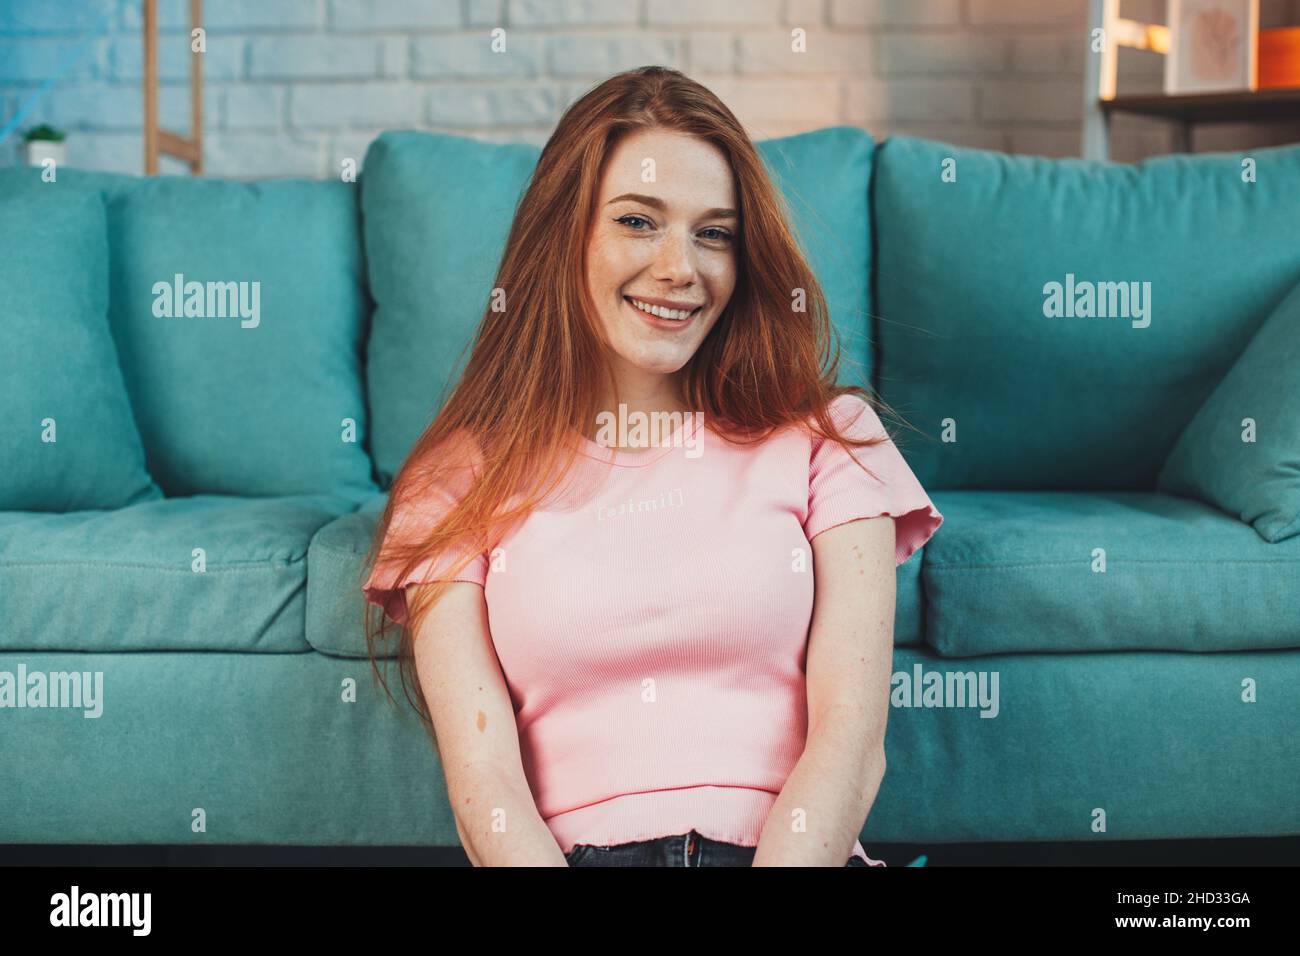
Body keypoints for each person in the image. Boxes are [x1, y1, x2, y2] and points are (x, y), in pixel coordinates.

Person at [361, 66, 943, 867]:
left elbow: (851, 741)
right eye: (639, 221)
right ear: (564, 235)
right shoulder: (456, 477)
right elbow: (484, 783)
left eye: (714, 233)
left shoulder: (832, 438)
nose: (681, 268)